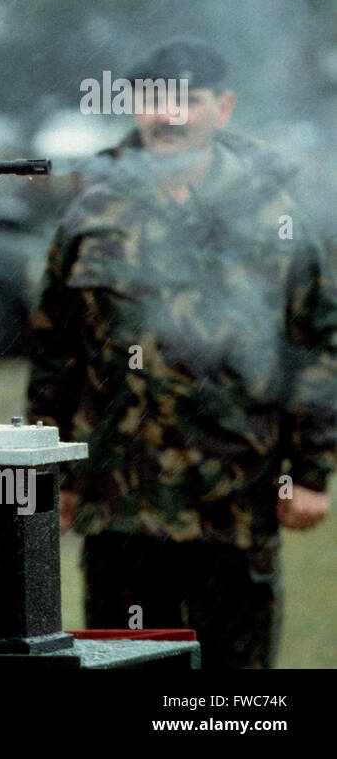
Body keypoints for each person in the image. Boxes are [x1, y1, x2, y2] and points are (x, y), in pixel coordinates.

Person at [26, 39, 336, 668]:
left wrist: (309, 472)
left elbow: (316, 343)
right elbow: (55, 350)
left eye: (186, 101)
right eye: (152, 99)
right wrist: (50, 478)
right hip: (118, 505)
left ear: (222, 109)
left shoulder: (276, 210)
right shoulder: (94, 208)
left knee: (232, 698)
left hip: (236, 501)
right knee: (125, 681)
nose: (168, 115)